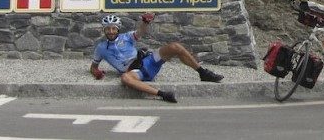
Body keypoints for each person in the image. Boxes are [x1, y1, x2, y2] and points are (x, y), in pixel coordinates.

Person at [90, 13, 224, 103]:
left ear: (118, 29)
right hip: (135, 72)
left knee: (175, 46)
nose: (111, 31)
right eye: (108, 29)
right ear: (104, 30)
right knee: (124, 78)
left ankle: (203, 73)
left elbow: (140, 32)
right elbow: (93, 67)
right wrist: (96, 72)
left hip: (147, 61)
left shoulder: (127, 37)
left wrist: (145, 22)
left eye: (113, 28)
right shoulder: (101, 48)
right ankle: (163, 95)